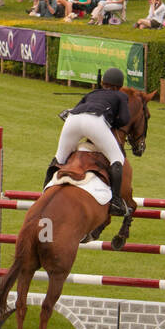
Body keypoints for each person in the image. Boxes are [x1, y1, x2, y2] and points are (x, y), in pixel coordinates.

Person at [42, 67, 132, 222]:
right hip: (95, 122)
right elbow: (124, 119)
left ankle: (43, 195)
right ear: (119, 85)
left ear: (103, 83)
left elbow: (75, 109)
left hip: (73, 119)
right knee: (117, 158)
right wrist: (111, 122)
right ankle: (116, 202)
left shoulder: (92, 93)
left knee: (60, 157)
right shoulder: (120, 95)